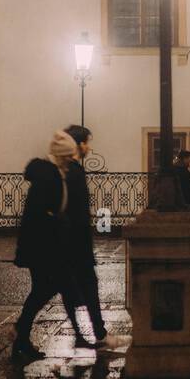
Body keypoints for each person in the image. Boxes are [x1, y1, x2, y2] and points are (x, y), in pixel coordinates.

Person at [12, 131, 92, 363]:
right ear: (59, 157)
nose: (70, 162)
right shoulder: (50, 178)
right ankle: (20, 334)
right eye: (67, 158)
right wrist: (58, 221)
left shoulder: (54, 174)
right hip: (43, 248)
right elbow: (40, 215)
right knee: (45, 290)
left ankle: (21, 339)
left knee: (50, 289)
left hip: (46, 246)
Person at [63, 124, 123, 351]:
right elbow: (76, 212)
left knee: (61, 289)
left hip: (68, 241)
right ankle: (99, 333)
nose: (89, 147)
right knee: (88, 286)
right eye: (87, 142)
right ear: (78, 145)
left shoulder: (67, 170)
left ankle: (85, 333)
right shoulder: (74, 172)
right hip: (76, 243)